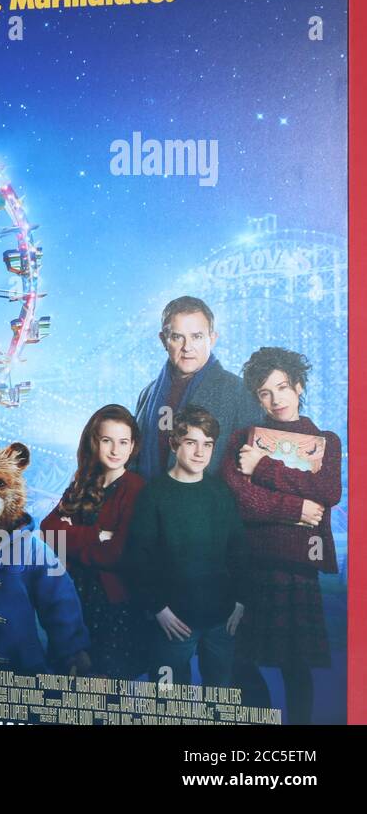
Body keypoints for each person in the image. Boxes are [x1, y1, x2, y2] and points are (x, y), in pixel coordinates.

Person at [222, 347, 340, 725]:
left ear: (299, 386)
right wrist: (295, 508)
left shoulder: (326, 441)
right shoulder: (243, 437)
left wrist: (264, 467)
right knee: (238, 659)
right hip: (251, 565)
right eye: (264, 393)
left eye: (283, 387)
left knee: (295, 665)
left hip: (296, 567)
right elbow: (241, 502)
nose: (276, 400)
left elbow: (326, 492)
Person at [123, 405, 247, 690]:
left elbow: (239, 552)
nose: (200, 452)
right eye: (191, 442)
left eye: (207, 444)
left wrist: (240, 601)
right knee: (168, 700)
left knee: (221, 698)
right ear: (174, 444)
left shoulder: (220, 492)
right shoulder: (153, 494)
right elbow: (138, 560)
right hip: (174, 620)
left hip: (221, 618)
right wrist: (158, 609)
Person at [40, 404, 145, 678]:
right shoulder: (83, 483)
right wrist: (97, 536)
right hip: (72, 596)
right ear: (94, 442)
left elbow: (116, 554)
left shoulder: (134, 487)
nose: (115, 450)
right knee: (71, 680)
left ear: (133, 446)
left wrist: (72, 537)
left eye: (123, 442)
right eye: (107, 440)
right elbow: (48, 528)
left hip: (111, 606)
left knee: (106, 687)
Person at [133, 296, 262, 478]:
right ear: (163, 340)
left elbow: (250, 471)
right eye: (177, 337)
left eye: (197, 337)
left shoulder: (240, 392)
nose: (187, 347)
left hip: (208, 503)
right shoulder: (147, 394)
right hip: (147, 500)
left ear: (212, 339)